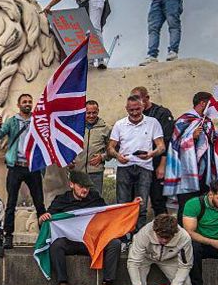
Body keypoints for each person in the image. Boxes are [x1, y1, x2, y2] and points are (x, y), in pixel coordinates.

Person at [39, 171, 126, 285]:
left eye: (87, 187)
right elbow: (48, 220)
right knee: (56, 245)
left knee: (115, 244)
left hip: (91, 241)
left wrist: (131, 207)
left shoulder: (95, 198)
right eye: (81, 186)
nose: (85, 190)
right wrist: (42, 218)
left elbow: (109, 215)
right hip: (70, 242)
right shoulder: (61, 200)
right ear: (71, 184)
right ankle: (63, 284)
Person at [107, 94, 165, 235]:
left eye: (137, 109)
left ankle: (139, 236)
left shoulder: (153, 122)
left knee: (142, 204)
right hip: (124, 167)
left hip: (144, 167)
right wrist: (117, 156)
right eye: (131, 110)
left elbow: (161, 146)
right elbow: (110, 147)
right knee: (122, 204)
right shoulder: (119, 124)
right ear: (126, 109)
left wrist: (151, 154)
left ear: (143, 107)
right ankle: (123, 235)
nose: (134, 113)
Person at [0, 93, 45, 247]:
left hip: (33, 167)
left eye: (30, 101)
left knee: (39, 203)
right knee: (11, 203)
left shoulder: (38, 121)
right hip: (16, 166)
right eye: (24, 102)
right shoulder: (12, 122)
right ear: (19, 104)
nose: (27, 104)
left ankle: (44, 235)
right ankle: (8, 235)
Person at [164, 91, 218, 213]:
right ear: (203, 103)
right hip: (186, 172)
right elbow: (174, 145)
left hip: (205, 171)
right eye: (211, 104)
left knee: (203, 205)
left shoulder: (208, 122)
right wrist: (191, 137)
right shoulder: (184, 120)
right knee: (186, 206)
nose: (213, 108)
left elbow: (213, 141)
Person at [131, 86, 174, 217]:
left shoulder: (162, 113)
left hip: (157, 164)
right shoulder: (135, 114)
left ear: (147, 98)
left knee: (158, 200)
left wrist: (162, 165)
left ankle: (165, 231)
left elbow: (167, 141)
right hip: (139, 166)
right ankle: (135, 234)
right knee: (137, 201)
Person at [70, 101, 109, 195]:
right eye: (88, 113)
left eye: (94, 113)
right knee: (77, 201)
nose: (91, 116)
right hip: (77, 172)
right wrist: (69, 160)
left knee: (94, 201)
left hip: (95, 172)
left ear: (98, 111)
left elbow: (113, 150)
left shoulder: (106, 128)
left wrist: (102, 157)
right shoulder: (75, 127)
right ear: (84, 112)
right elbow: (68, 146)